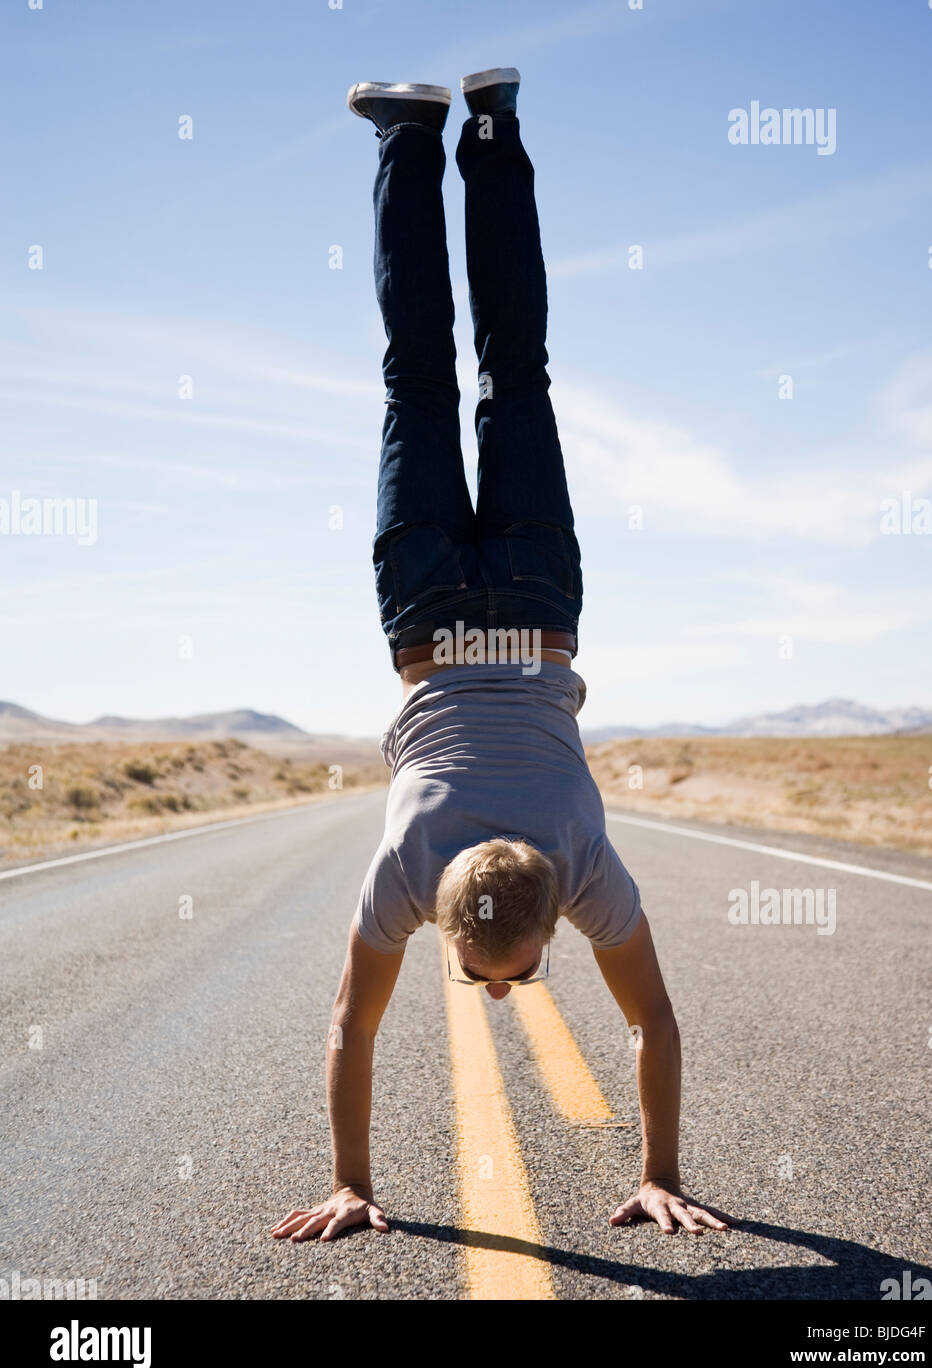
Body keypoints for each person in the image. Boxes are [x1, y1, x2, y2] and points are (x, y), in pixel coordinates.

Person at [271, 69, 733, 1246]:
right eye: (518, 979)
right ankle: (412, 137)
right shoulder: (412, 864)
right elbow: (352, 1027)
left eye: (500, 978)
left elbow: (653, 1021)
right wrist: (352, 1181)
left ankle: (490, 123)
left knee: (512, 371)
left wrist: (353, 1184)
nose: (500, 988)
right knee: (427, 380)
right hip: (430, 609)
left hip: (533, 597)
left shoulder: (578, 860)